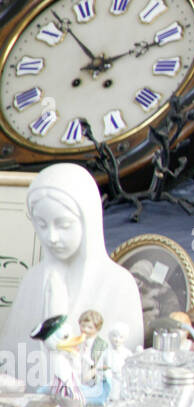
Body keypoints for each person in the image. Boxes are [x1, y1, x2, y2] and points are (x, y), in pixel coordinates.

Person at [0, 164, 144, 387]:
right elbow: (11, 359)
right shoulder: (33, 280)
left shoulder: (118, 284)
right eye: (42, 224)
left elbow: (127, 370)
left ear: (88, 222)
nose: (52, 237)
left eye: (64, 224)